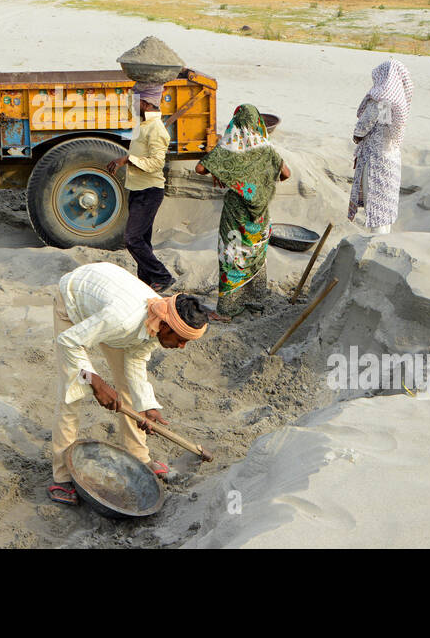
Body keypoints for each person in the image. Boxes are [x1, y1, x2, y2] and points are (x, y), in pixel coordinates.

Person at [48, 261, 218, 506]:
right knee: (72, 393)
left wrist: (147, 405)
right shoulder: (124, 320)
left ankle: (138, 454)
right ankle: (61, 475)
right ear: (167, 325)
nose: (182, 347)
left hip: (105, 310)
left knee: (128, 389)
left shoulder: (156, 321)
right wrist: (95, 381)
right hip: (73, 304)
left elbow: (135, 362)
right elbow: (68, 342)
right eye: (181, 340)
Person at [195, 104, 291, 318]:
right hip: (260, 216)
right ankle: (255, 303)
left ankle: (227, 310)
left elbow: (200, 168)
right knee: (256, 256)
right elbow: (286, 173)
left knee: (232, 256)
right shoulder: (267, 150)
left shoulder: (231, 148)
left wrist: (225, 172)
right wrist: (263, 180)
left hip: (236, 214)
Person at [106, 82, 175, 293]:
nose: (132, 106)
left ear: (144, 104)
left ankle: (162, 276)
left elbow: (156, 163)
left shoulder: (156, 129)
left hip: (149, 191)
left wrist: (127, 160)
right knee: (143, 239)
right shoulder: (143, 123)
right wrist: (137, 87)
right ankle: (146, 282)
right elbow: (132, 102)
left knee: (132, 238)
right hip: (138, 190)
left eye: (136, 102)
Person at [348, 58, 414, 235]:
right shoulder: (394, 100)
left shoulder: (380, 99)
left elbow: (365, 124)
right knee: (384, 206)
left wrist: (357, 136)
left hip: (375, 160)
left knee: (375, 202)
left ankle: (376, 246)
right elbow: (385, 124)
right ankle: (383, 240)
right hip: (390, 157)